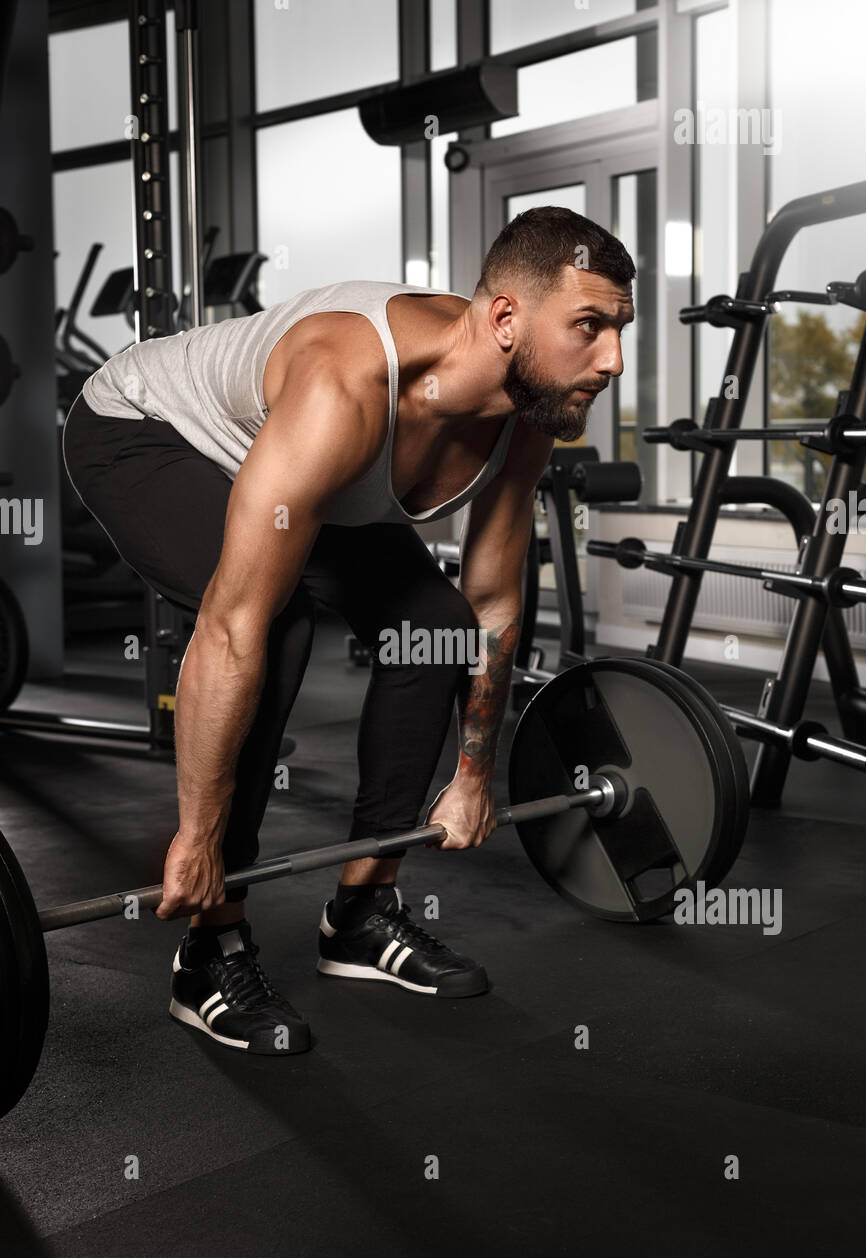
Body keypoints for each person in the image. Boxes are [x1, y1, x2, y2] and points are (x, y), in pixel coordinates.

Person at [62, 206, 634, 1056]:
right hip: (148, 432)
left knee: (431, 623)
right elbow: (230, 627)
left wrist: (474, 776)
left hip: (294, 465)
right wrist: (196, 835)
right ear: (507, 319)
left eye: (618, 330)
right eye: (588, 327)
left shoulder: (528, 411)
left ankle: (363, 910)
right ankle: (210, 951)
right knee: (279, 620)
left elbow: (488, 607)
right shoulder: (348, 382)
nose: (613, 359)